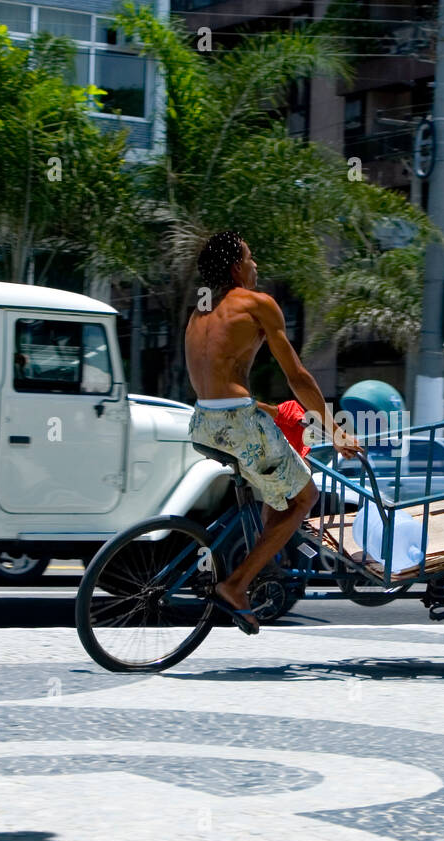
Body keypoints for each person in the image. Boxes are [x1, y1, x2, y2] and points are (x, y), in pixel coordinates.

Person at [185, 230, 362, 634]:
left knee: (273, 484)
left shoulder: (201, 307)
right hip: (238, 422)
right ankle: (236, 585)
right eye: (250, 257)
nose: (256, 265)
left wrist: (265, 411)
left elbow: (215, 377)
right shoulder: (259, 305)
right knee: (305, 497)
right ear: (236, 267)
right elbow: (297, 377)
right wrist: (334, 431)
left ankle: (267, 562)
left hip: (202, 422)